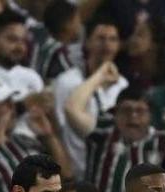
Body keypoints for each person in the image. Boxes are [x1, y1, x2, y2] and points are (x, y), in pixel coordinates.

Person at [70, 86, 165, 192]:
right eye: (126, 110)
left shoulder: (161, 143)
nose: (133, 116)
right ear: (115, 114)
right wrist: (101, 75)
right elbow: (71, 110)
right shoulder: (104, 132)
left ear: (150, 116)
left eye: (140, 111)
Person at [52, 15, 126, 171]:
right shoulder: (67, 81)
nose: (107, 44)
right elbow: (59, 128)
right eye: (100, 38)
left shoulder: (123, 85)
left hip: (107, 170)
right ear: (87, 42)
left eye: (113, 39)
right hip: (75, 170)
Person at [31, 0, 80, 82]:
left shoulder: (38, 40)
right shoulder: (57, 53)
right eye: (77, 20)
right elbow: (70, 81)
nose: (79, 24)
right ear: (68, 24)